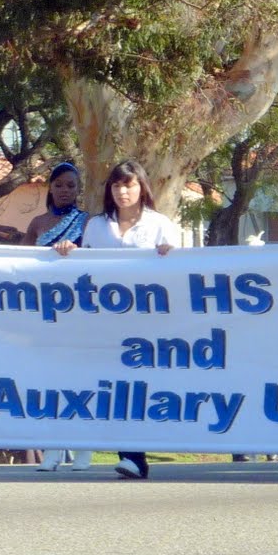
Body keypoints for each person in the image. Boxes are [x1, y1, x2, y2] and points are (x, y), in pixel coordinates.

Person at [58, 159, 182, 479]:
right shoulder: (97, 226)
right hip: (107, 322)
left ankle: (137, 452)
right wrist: (69, 251)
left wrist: (172, 256)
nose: (122, 191)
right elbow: (86, 266)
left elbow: (183, 271)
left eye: (128, 185)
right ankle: (130, 455)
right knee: (115, 386)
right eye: (116, 185)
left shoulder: (159, 224)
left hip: (148, 321)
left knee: (143, 386)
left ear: (142, 188)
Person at [21, 160, 90, 248]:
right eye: (58, 185)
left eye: (71, 186)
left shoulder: (87, 221)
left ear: (78, 189)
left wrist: (75, 250)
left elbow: (95, 254)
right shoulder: (37, 222)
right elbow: (24, 255)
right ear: (50, 188)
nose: (65, 190)